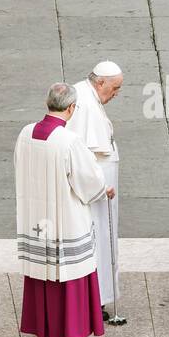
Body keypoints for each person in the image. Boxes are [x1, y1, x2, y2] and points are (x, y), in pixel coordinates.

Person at [15, 82, 111, 337]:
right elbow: (88, 181)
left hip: (35, 218)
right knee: (70, 273)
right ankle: (69, 333)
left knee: (41, 272)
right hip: (65, 218)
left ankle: (44, 332)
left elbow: (19, 166)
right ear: (71, 108)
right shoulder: (69, 141)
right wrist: (104, 187)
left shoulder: (26, 133)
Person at [65, 61, 124, 316]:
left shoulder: (86, 94)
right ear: (100, 82)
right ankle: (95, 298)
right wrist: (100, 187)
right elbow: (87, 155)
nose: (116, 93)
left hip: (100, 183)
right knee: (98, 238)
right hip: (97, 189)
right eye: (114, 88)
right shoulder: (87, 104)